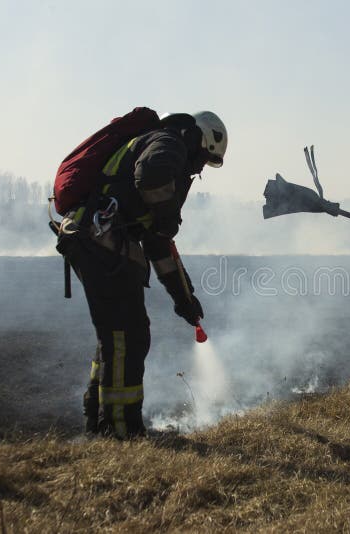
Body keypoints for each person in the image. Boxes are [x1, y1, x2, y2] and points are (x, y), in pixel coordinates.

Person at [56, 110, 227, 437]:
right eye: (203, 160)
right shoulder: (170, 142)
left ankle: (99, 420)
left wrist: (184, 298)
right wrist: (166, 215)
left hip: (94, 239)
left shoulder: (155, 147)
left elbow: (159, 245)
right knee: (127, 335)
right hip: (100, 240)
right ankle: (122, 431)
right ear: (199, 139)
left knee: (116, 334)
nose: (198, 168)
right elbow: (151, 175)